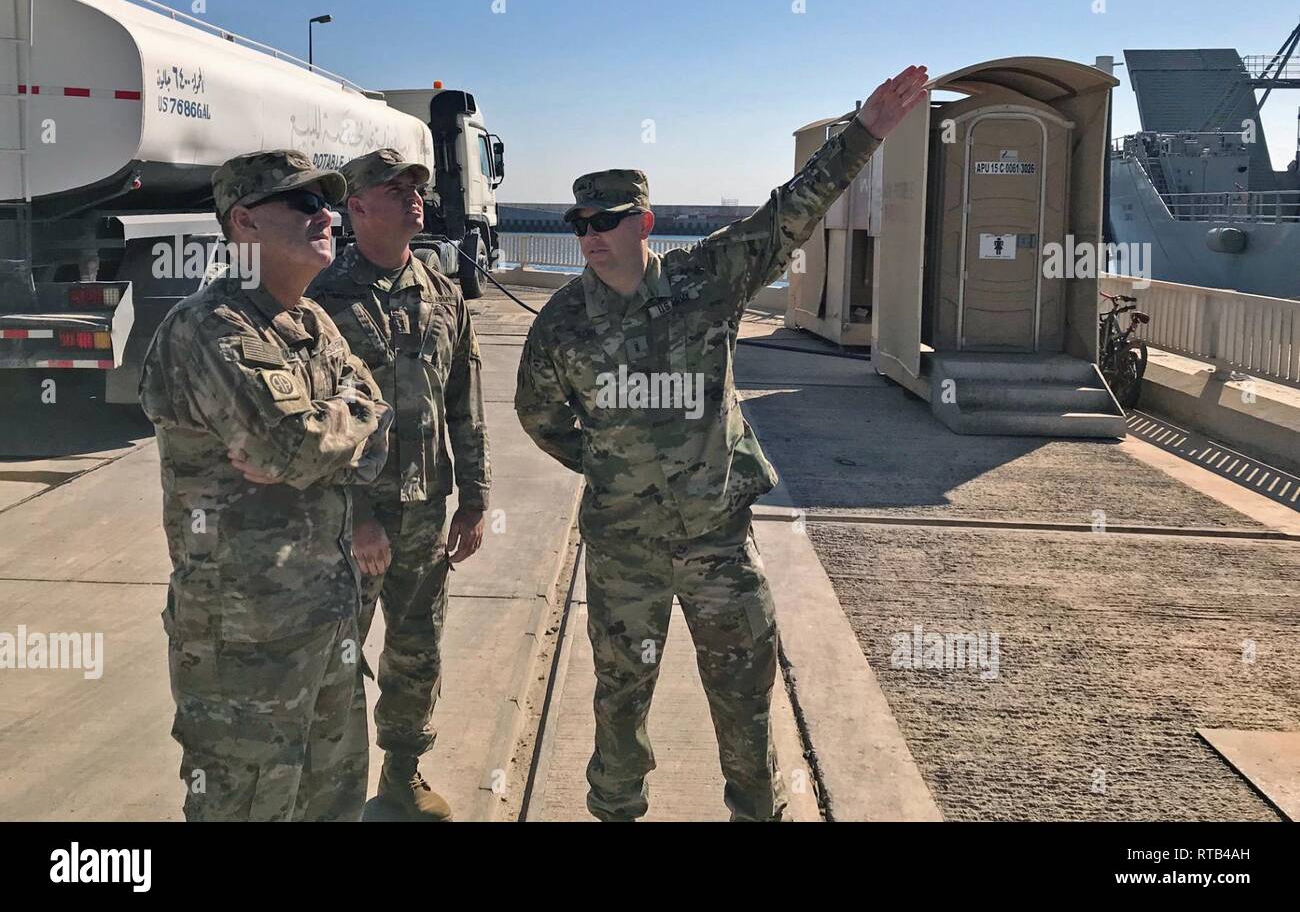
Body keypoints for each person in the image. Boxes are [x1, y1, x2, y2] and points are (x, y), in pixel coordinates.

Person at [515, 66, 928, 821]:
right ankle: (614, 810)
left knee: (745, 701)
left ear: (644, 222)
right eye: (578, 225)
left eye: (604, 222)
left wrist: (863, 132)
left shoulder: (707, 278)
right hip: (623, 552)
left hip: (717, 544)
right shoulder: (561, 324)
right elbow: (538, 414)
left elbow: (791, 213)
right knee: (619, 703)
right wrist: (609, 466)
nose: (589, 238)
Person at [139, 149, 392, 821]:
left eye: (328, 202)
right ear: (245, 222)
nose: (329, 215)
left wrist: (341, 425)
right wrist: (344, 425)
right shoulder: (208, 328)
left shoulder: (311, 323)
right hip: (245, 647)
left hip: (327, 624)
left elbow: (365, 440)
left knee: (331, 804)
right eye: (305, 203)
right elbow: (293, 447)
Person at [308, 148, 491, 821]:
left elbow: (465, 400)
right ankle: (334, 789)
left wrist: (474, 498)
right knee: (337, 654)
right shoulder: (321, 297)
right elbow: (315, 423)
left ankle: (402, 775)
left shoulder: (443, 291)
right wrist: (356, 514)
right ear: (357, 207)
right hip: (349, 519)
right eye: (395, 186)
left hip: (424, 508)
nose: (415, 194)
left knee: (417, 650)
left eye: (417, 184)